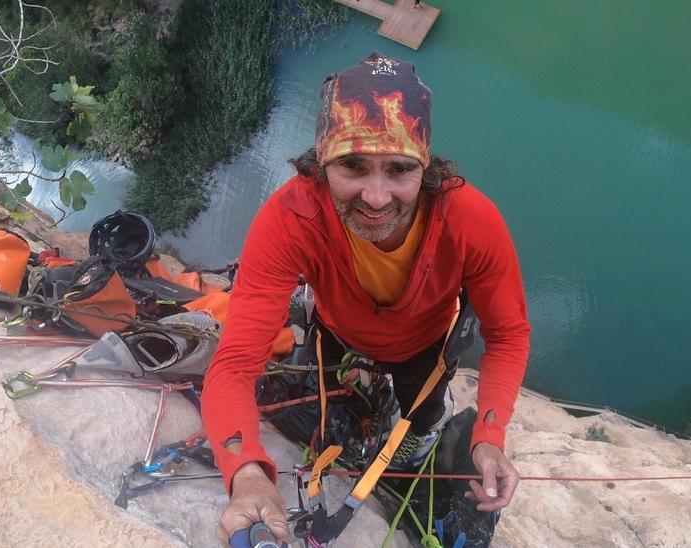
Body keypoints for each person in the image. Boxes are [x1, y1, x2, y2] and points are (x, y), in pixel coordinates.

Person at [202, 51, 531, 543]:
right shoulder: (291, 218)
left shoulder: (470, 221)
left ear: (424, 166)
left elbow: (507, 335)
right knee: (335, 399)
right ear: (321, 161)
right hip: (335, 328)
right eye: (352, 166)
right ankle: (369, 426)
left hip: (423, 346)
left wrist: (489, 436)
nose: (376, 197)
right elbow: (235, 362)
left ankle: (411, 449)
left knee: (421, 416)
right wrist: (247, 473)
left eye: (399, 170)